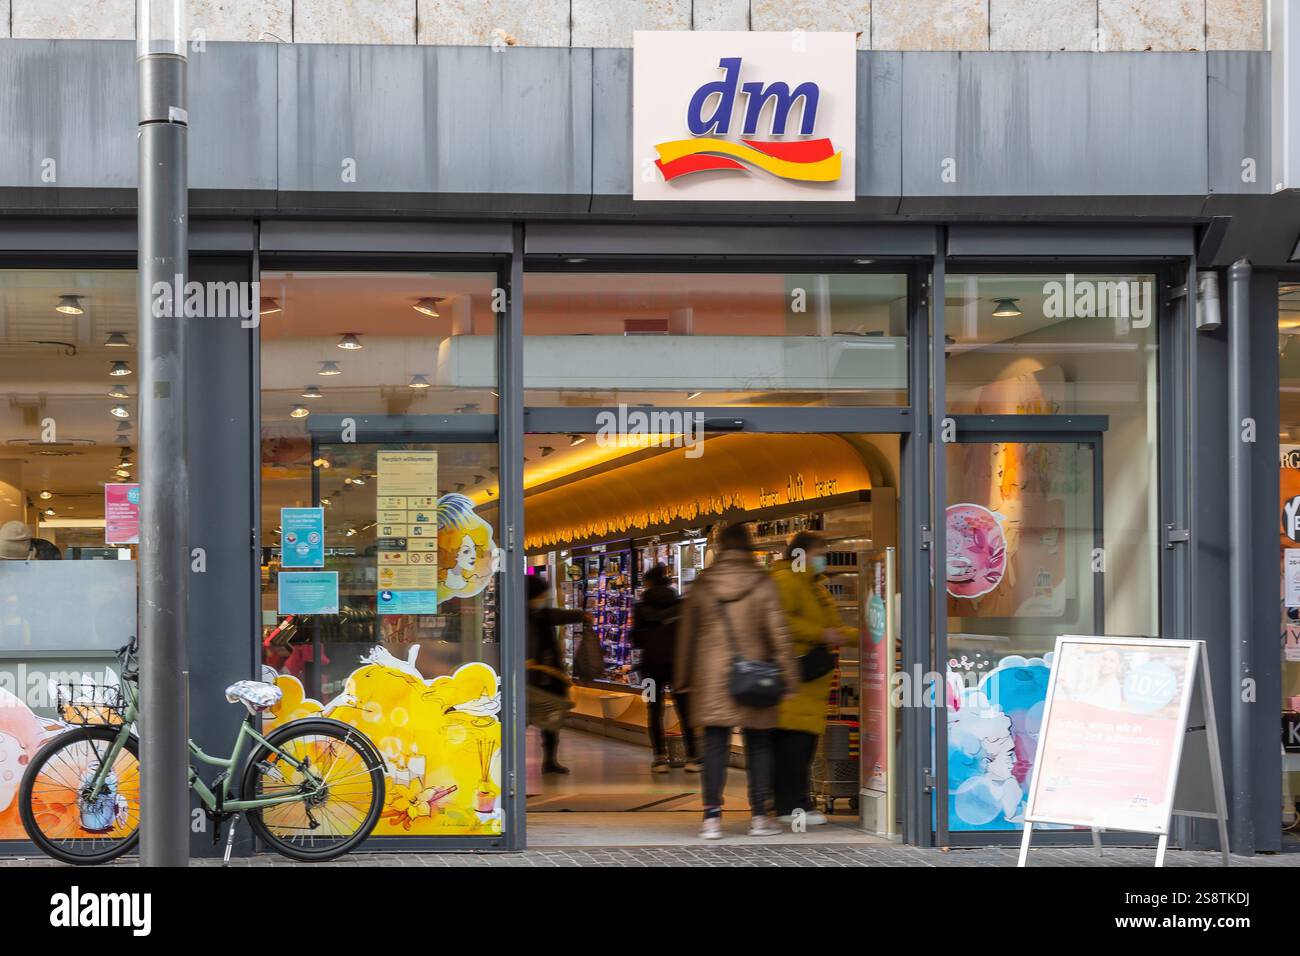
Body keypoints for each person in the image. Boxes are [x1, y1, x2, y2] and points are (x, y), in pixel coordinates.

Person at [675, 522, 796, 840]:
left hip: (712, 676)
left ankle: (711, 818)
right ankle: (758, 816)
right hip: (755, 674)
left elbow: (686, 635)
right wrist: (790, 678)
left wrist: (682, 678)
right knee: (759, 744)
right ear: (749, 545)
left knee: (714, 744)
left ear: (721, 547)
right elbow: (779, 634)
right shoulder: (764, 583)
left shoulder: (704, 584)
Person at [770, 532, 854, 826]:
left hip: (811, 685)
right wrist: (821, 634)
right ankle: (792, 806)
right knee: (794, 748)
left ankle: (796, 804)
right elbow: (781, 621)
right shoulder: (785, 582)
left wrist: (869, 636)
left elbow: (834, 628)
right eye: (820, 552)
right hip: (795, 679)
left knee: (802, 748)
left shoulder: (814, 587)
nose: (824, 558)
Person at [630, 563, 699, 773]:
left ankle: (659, 757)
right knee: (685, 711)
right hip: (677, 667)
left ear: (648, 583)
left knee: (654, 710)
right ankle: (692, 757)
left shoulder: (640, 608)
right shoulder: (681, 605)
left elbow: (637, 640)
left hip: (651, 668)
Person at [525, 573, 586, 775]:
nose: (545, 597)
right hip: (532, 675)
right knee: (526, 717)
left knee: (551, 718)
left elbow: (560, 615)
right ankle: (515, 758)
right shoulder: (521, 615)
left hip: (548, 675)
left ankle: (550, 760)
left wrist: (581, 615)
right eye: (542, 593)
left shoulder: (541, 613)